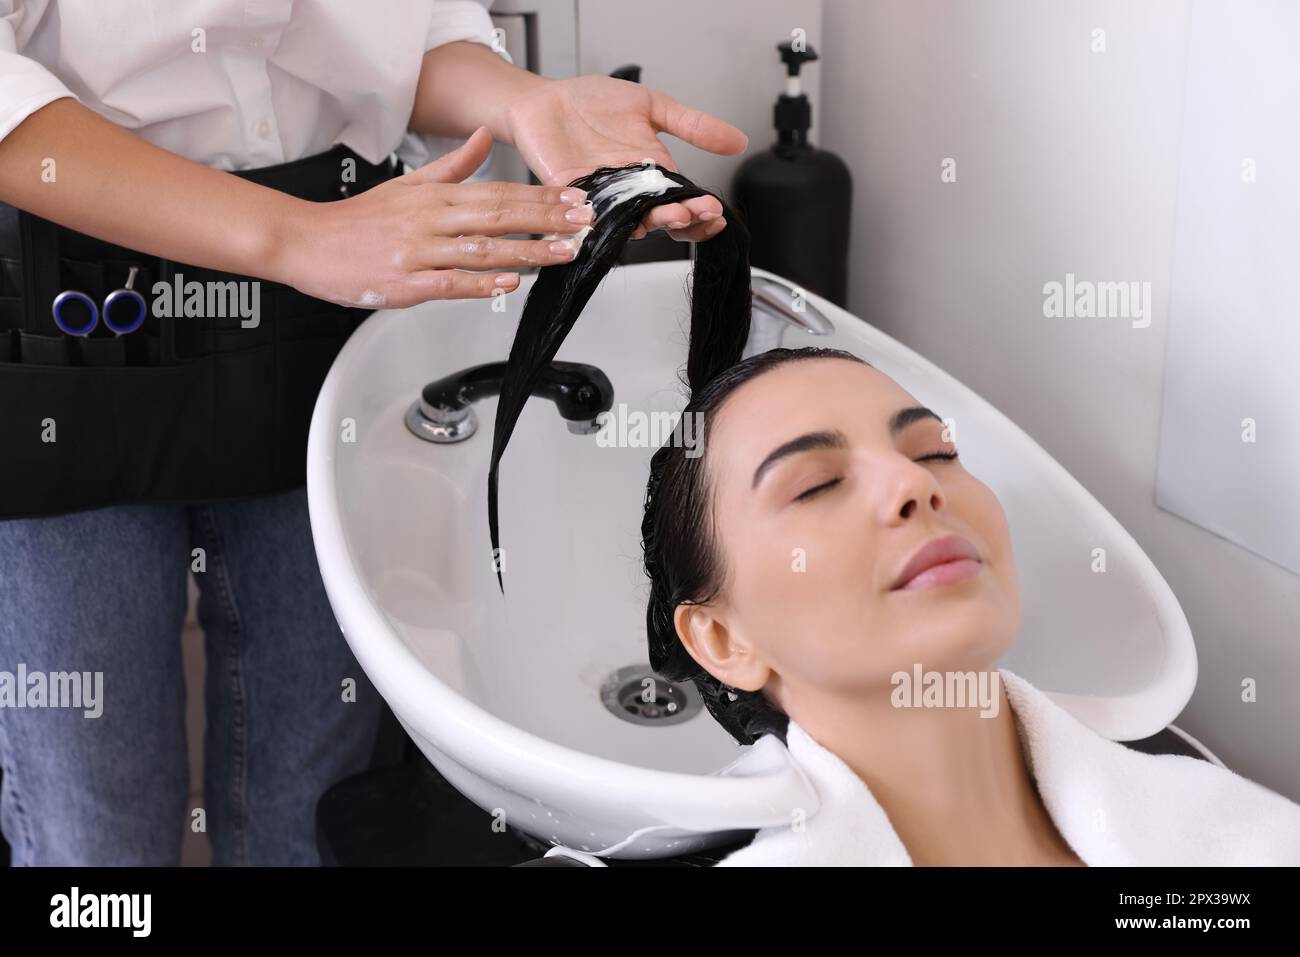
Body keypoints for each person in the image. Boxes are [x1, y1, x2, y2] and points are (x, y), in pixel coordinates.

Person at [0, 0, 747, 865]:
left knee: (311, 803)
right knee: (93, 830)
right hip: (71, 311)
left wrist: (519, 100)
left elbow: (398, 36)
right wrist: (290, 236)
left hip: (332, 293)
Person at [641, 347, 1300, 866]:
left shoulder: (1249, 838)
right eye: (817, 485)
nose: (916, 482)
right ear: (724, 639)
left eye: (937, 451)